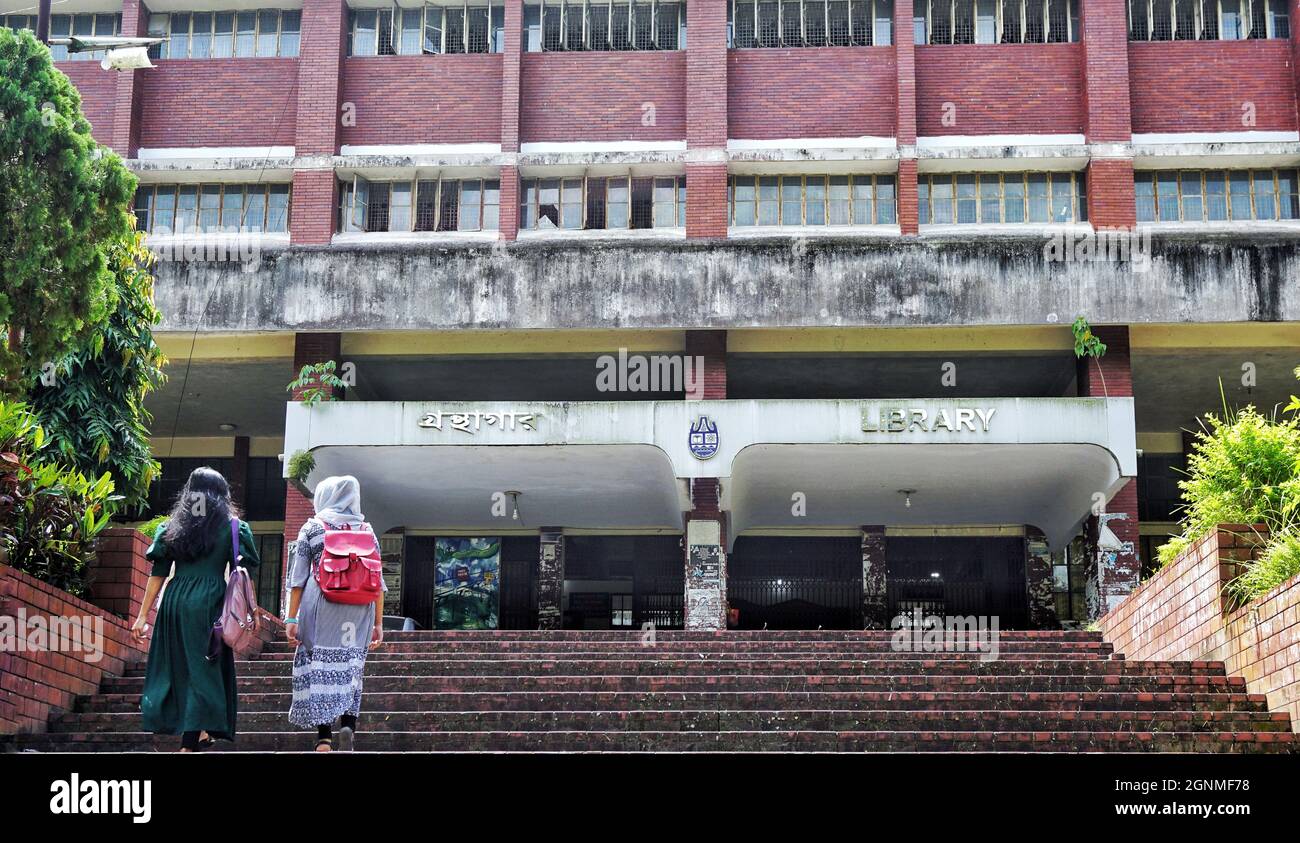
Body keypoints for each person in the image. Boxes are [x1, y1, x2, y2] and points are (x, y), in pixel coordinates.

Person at [132, 467, 261, 751]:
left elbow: (159, 572)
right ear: (222, 495)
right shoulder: (233, 528)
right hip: (210, 601)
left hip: (175, 602)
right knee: (204, 669)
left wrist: (142, 616)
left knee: (180, 668)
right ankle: (189, 744)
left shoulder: (171, 528)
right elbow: (244, 569)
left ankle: (198, 733)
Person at [285, 475, 385, 751]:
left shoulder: (312, 527)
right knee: (352, 669)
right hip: (360, 609)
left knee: (321, 668)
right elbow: (379, 584)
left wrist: (292, 619)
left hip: (321, 606)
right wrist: (378, 623)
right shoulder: (367, 530)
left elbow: (298, 578)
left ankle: (324, 738)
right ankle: (348, 727)